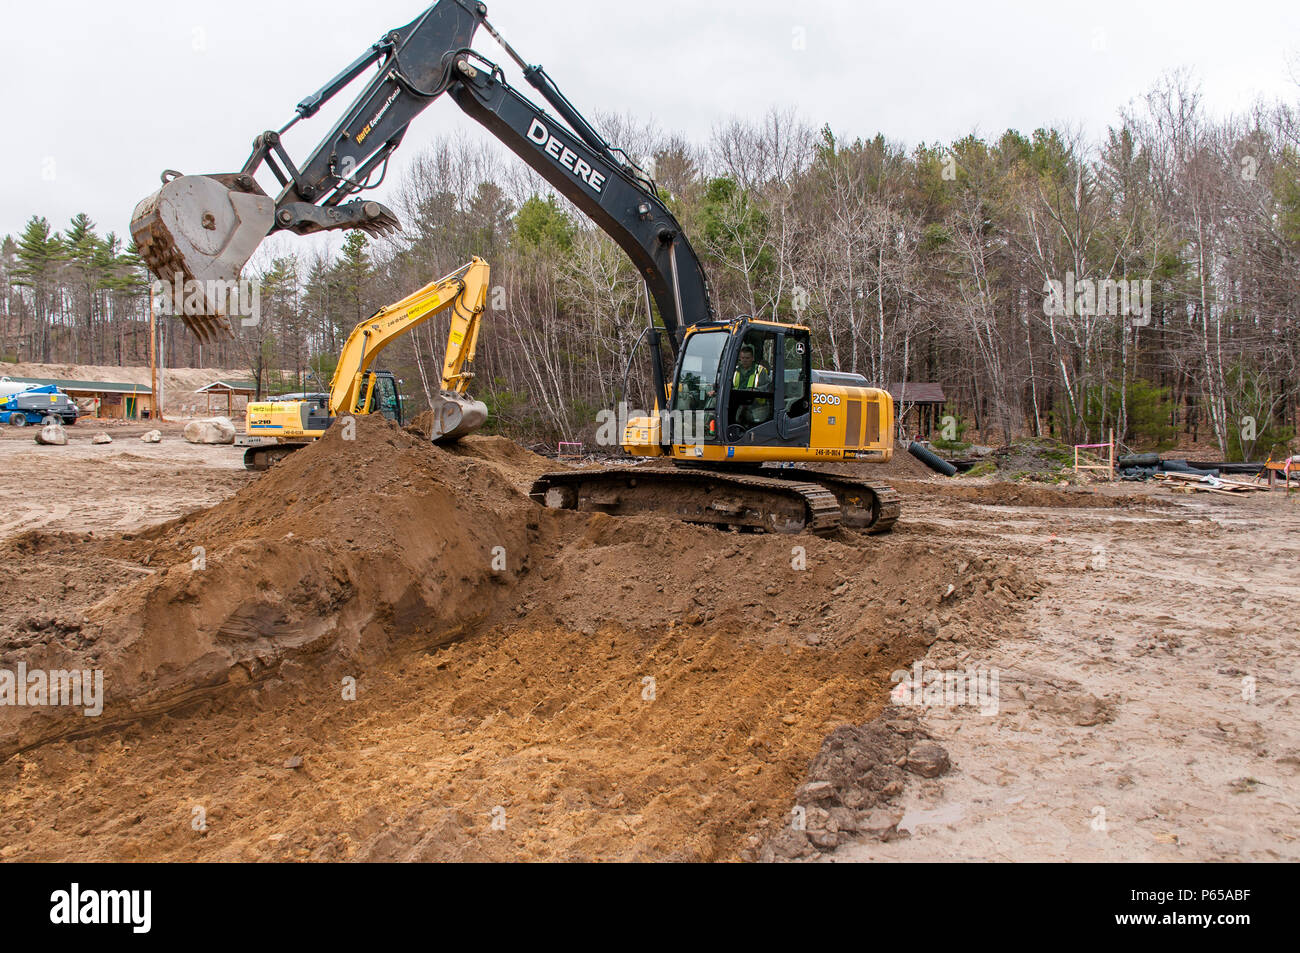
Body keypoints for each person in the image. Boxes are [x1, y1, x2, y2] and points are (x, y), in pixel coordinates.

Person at [733, 344, 772, 426]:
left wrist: (755, 390)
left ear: (752, 358)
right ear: (740, 358)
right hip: (737, 405)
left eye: (747, 358)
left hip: (755, 406)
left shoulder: (760, 371)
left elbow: (768, 387)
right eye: (743, 358)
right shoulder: (734, 370)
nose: (744, 360)